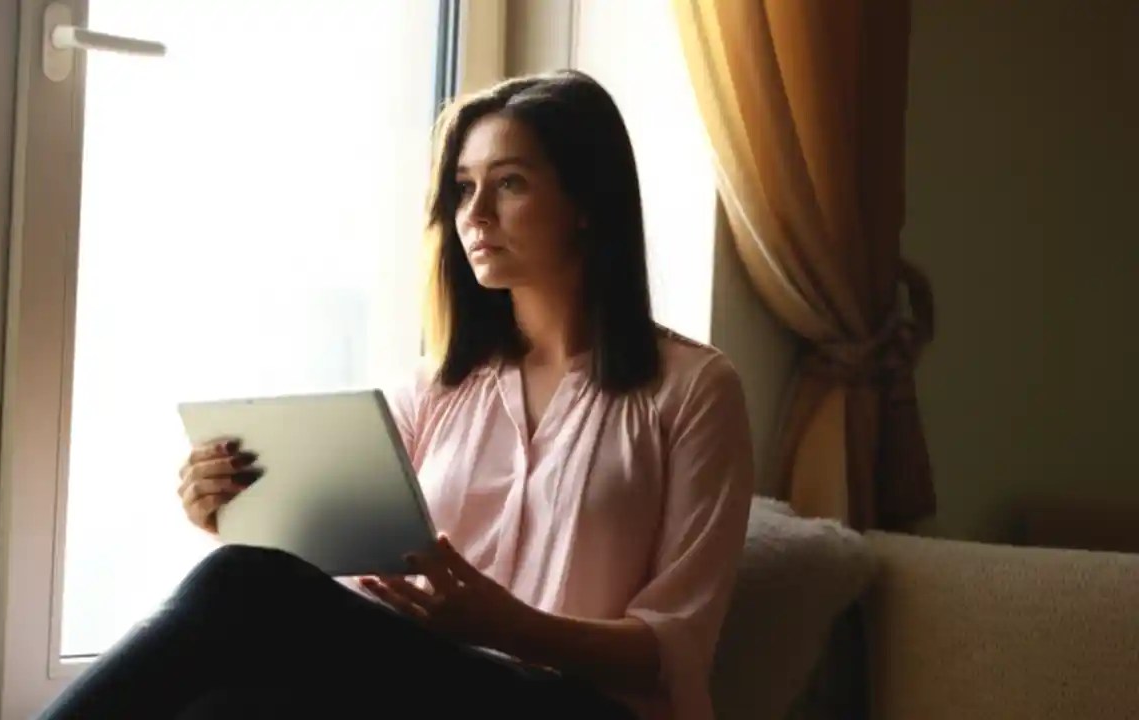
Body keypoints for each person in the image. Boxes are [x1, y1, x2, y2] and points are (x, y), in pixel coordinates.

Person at [38, 69, 754, 720]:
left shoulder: (693, 391)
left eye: (509, 184)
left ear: (585, 202)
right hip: (437, 687)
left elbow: (674, 649)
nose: (475, 215)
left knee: (240, 582)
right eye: (464, 188)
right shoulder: (436, 388)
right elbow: (339, 579)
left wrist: (509, 626)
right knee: (228, 700)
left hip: (585, 708)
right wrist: (233, 511)